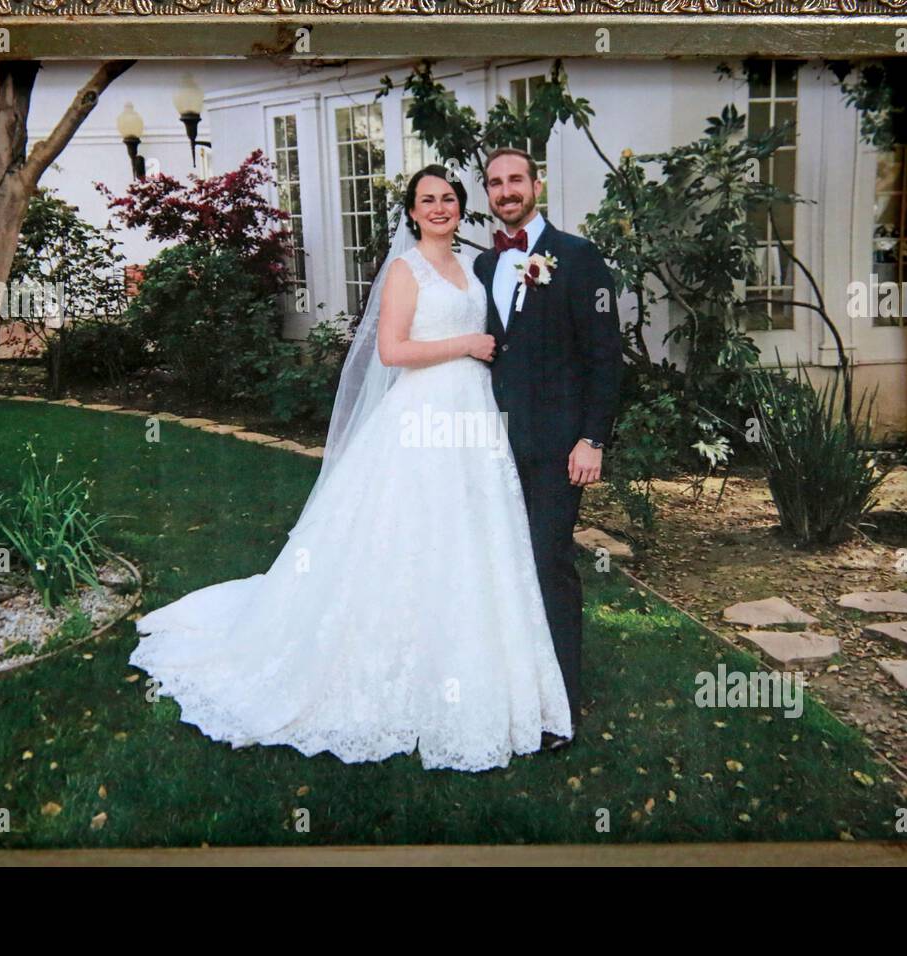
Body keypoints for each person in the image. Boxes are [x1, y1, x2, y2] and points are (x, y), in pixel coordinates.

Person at [129, 164, 571, 772]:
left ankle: (474, 664)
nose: (439, 208)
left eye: (448, 198)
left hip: (474, 418)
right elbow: (393, 350)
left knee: (477, 542)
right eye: (427, 200)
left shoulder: (475, 266)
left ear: (460, 207)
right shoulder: (403, 270)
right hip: (420, 417)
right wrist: (463, 345)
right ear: (412, 213)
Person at [473, 147, 624, 746]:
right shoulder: (485, 267)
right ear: (487, 193)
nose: (506, 191)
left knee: (548, 561)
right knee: (501, 567)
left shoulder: (581, 258)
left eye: (516, 180)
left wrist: (592, 437)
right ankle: (511, 684)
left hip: (559, 446)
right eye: (495, 183)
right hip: (491, 444)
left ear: (537, 185)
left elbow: (605, 357)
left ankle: (560, 703)